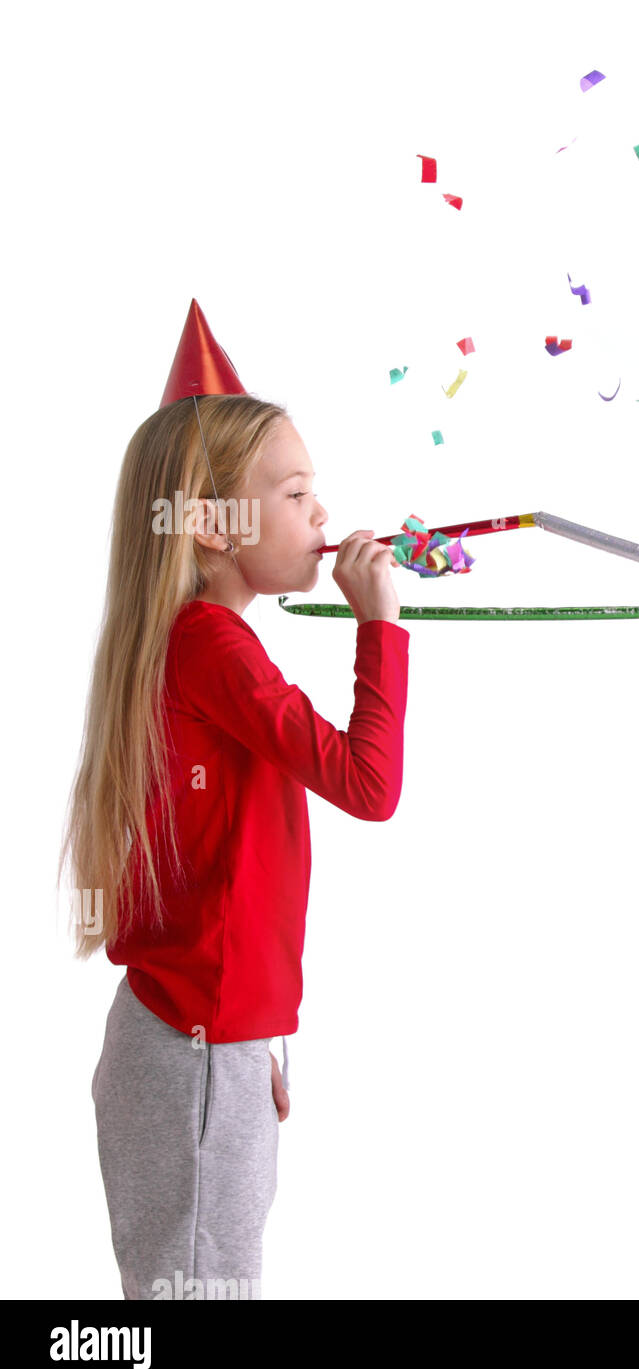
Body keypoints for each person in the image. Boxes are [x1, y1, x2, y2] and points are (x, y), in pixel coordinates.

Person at [59, 303, 409, 1298]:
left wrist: (261, 1036)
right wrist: (378, 628)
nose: (318, 516)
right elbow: (367, 784)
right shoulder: (212, 646)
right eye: (295, 493)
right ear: (212, 525)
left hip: (207, 1047)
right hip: (196, 1058)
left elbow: (233, 875)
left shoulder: (207, 642)